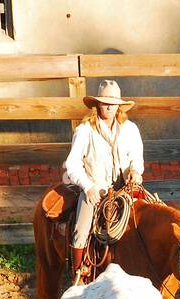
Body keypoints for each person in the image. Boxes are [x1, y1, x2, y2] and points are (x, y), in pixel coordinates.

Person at [62, 79, 144, 284]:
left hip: (124, 189)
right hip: (95, 189)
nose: (109, 106)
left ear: (119, 105)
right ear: (97, 104)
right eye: (105, 102)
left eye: (113, 102)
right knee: (81, 228)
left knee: (146, 216)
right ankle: (78, 273)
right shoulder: (85, 130)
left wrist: (135, 171)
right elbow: (72, 164)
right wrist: (87, 187)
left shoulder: (130, 129)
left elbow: (137, 158)